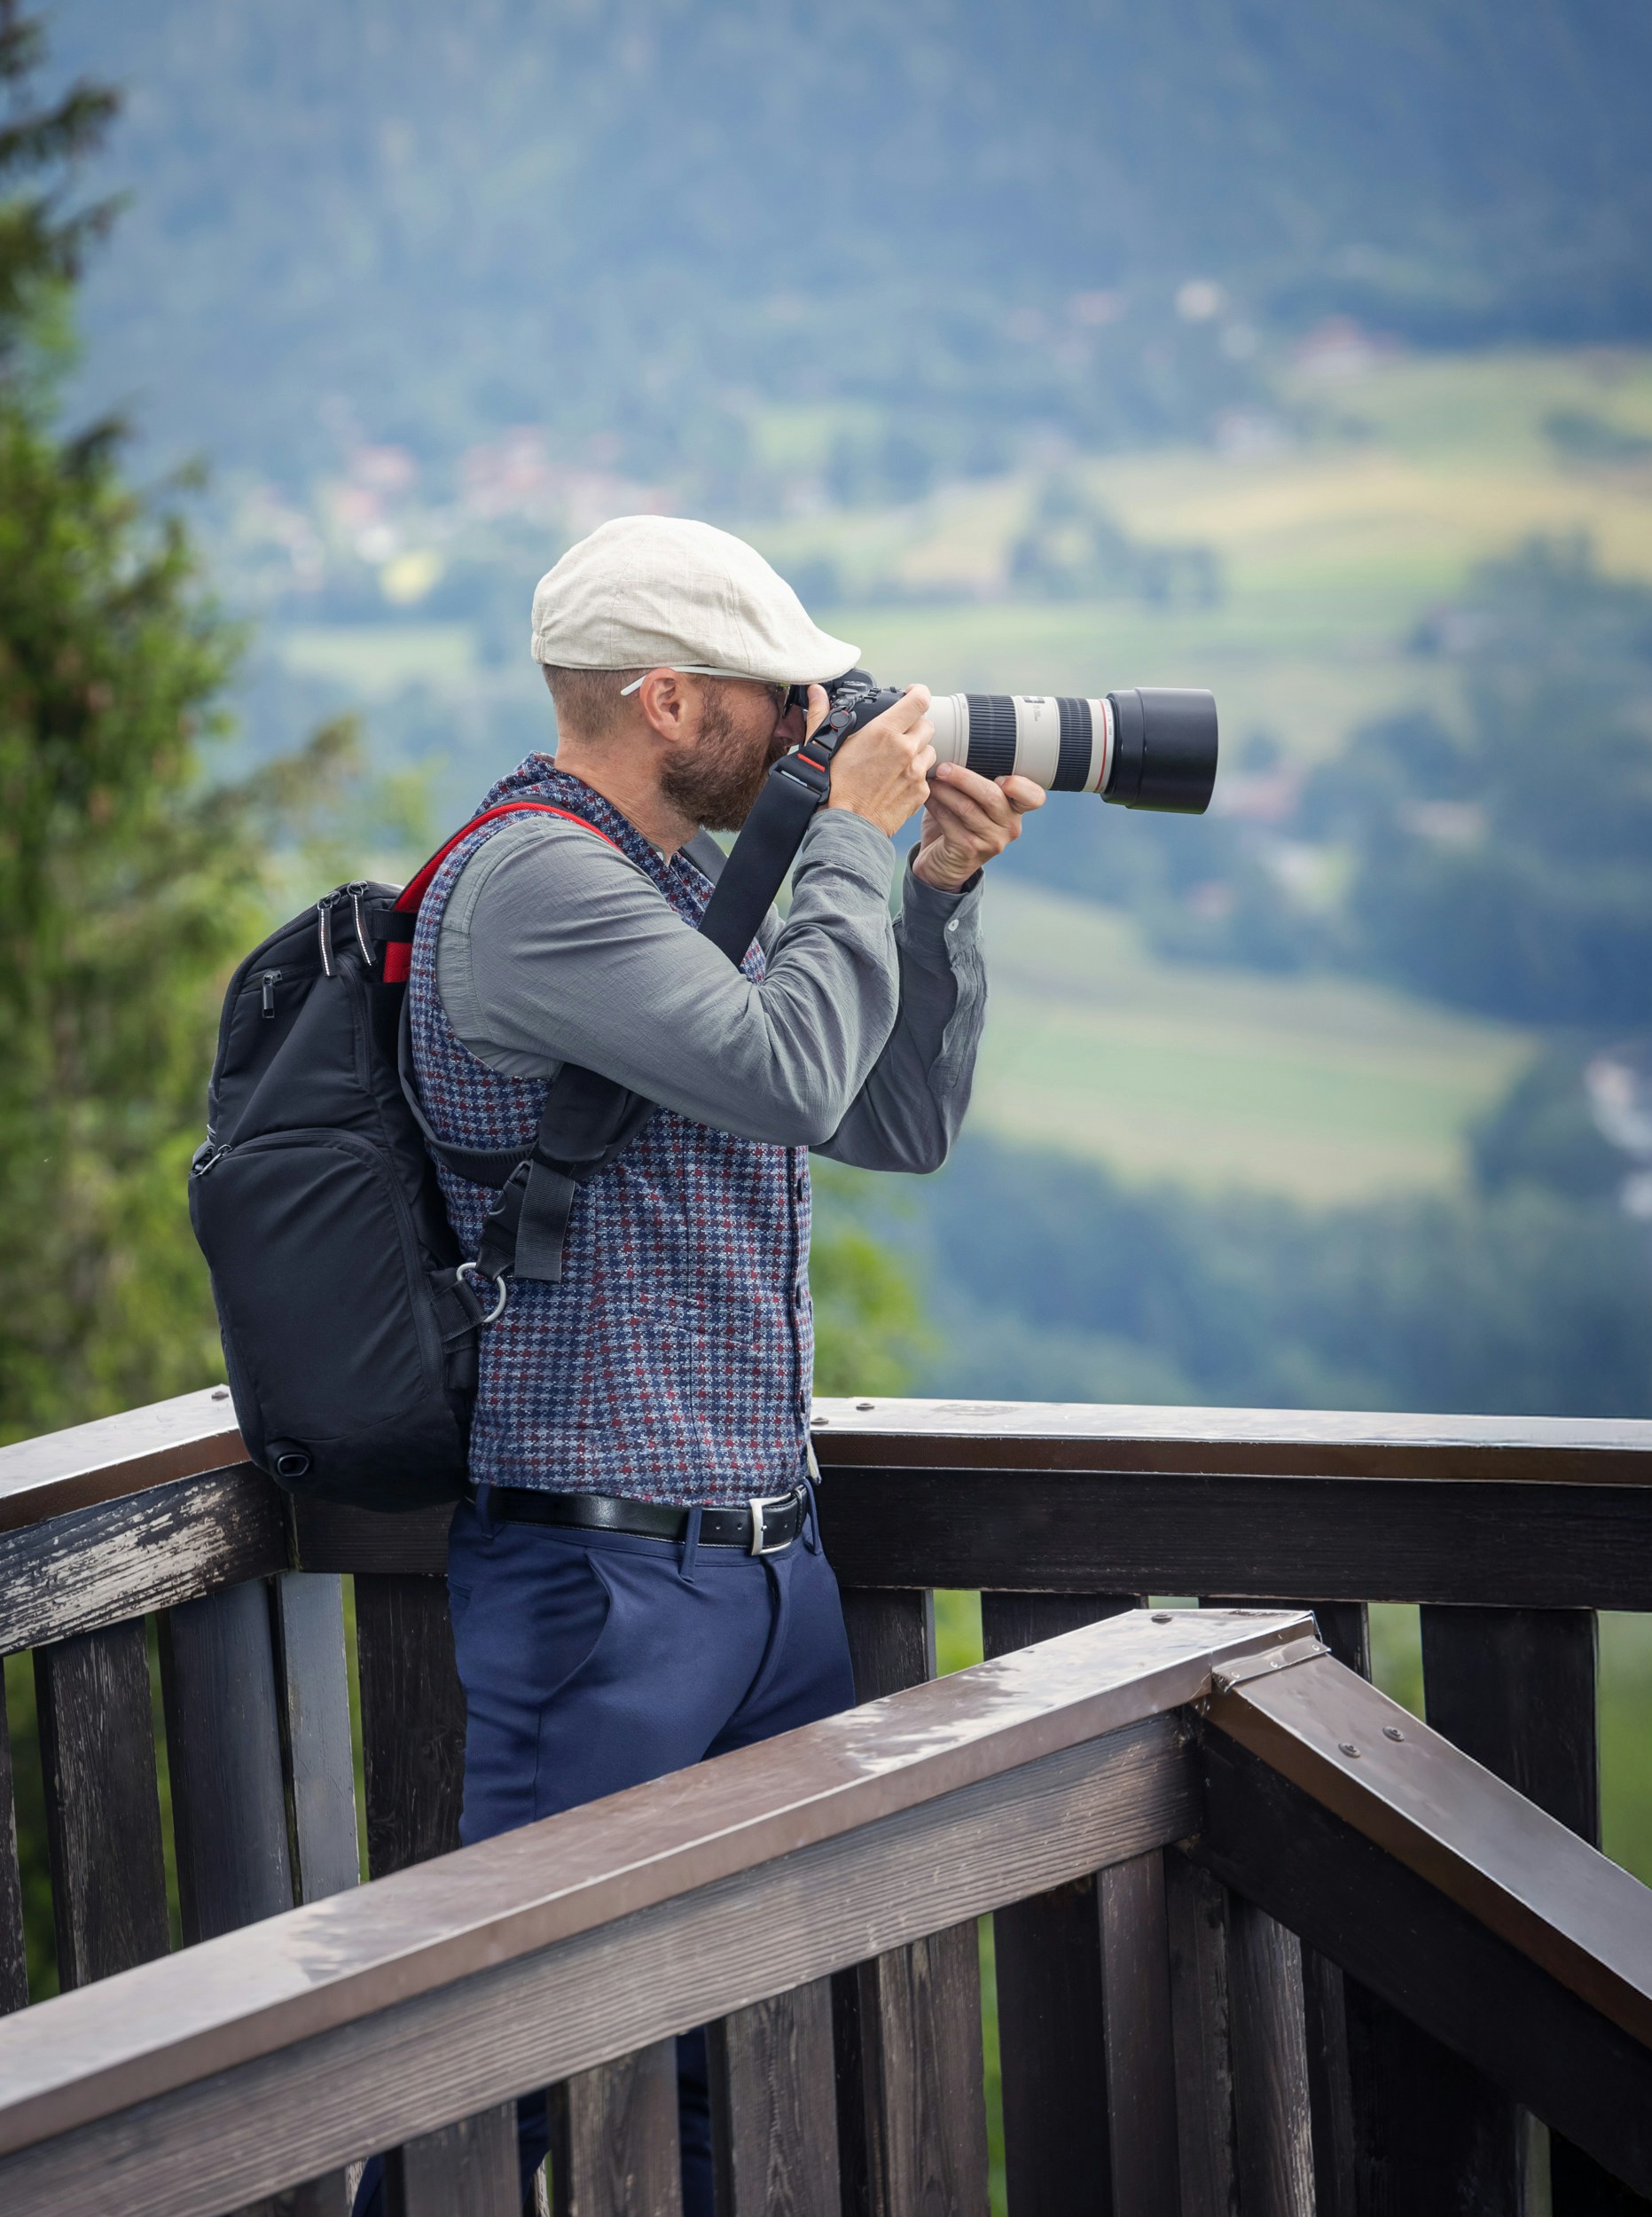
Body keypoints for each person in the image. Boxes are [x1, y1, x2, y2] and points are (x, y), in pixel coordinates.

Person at [353, 514, 1042, 2216]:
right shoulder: (536, 882)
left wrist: (932, 896)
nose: (815, 719)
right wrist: (856, 841)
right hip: (598, 1579)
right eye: (781, 692)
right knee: (494, 2065)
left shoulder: (686, 884)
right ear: (666, 701)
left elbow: (891, 1115)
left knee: (749, 2071)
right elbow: (802, 1067)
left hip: (764, 1568)